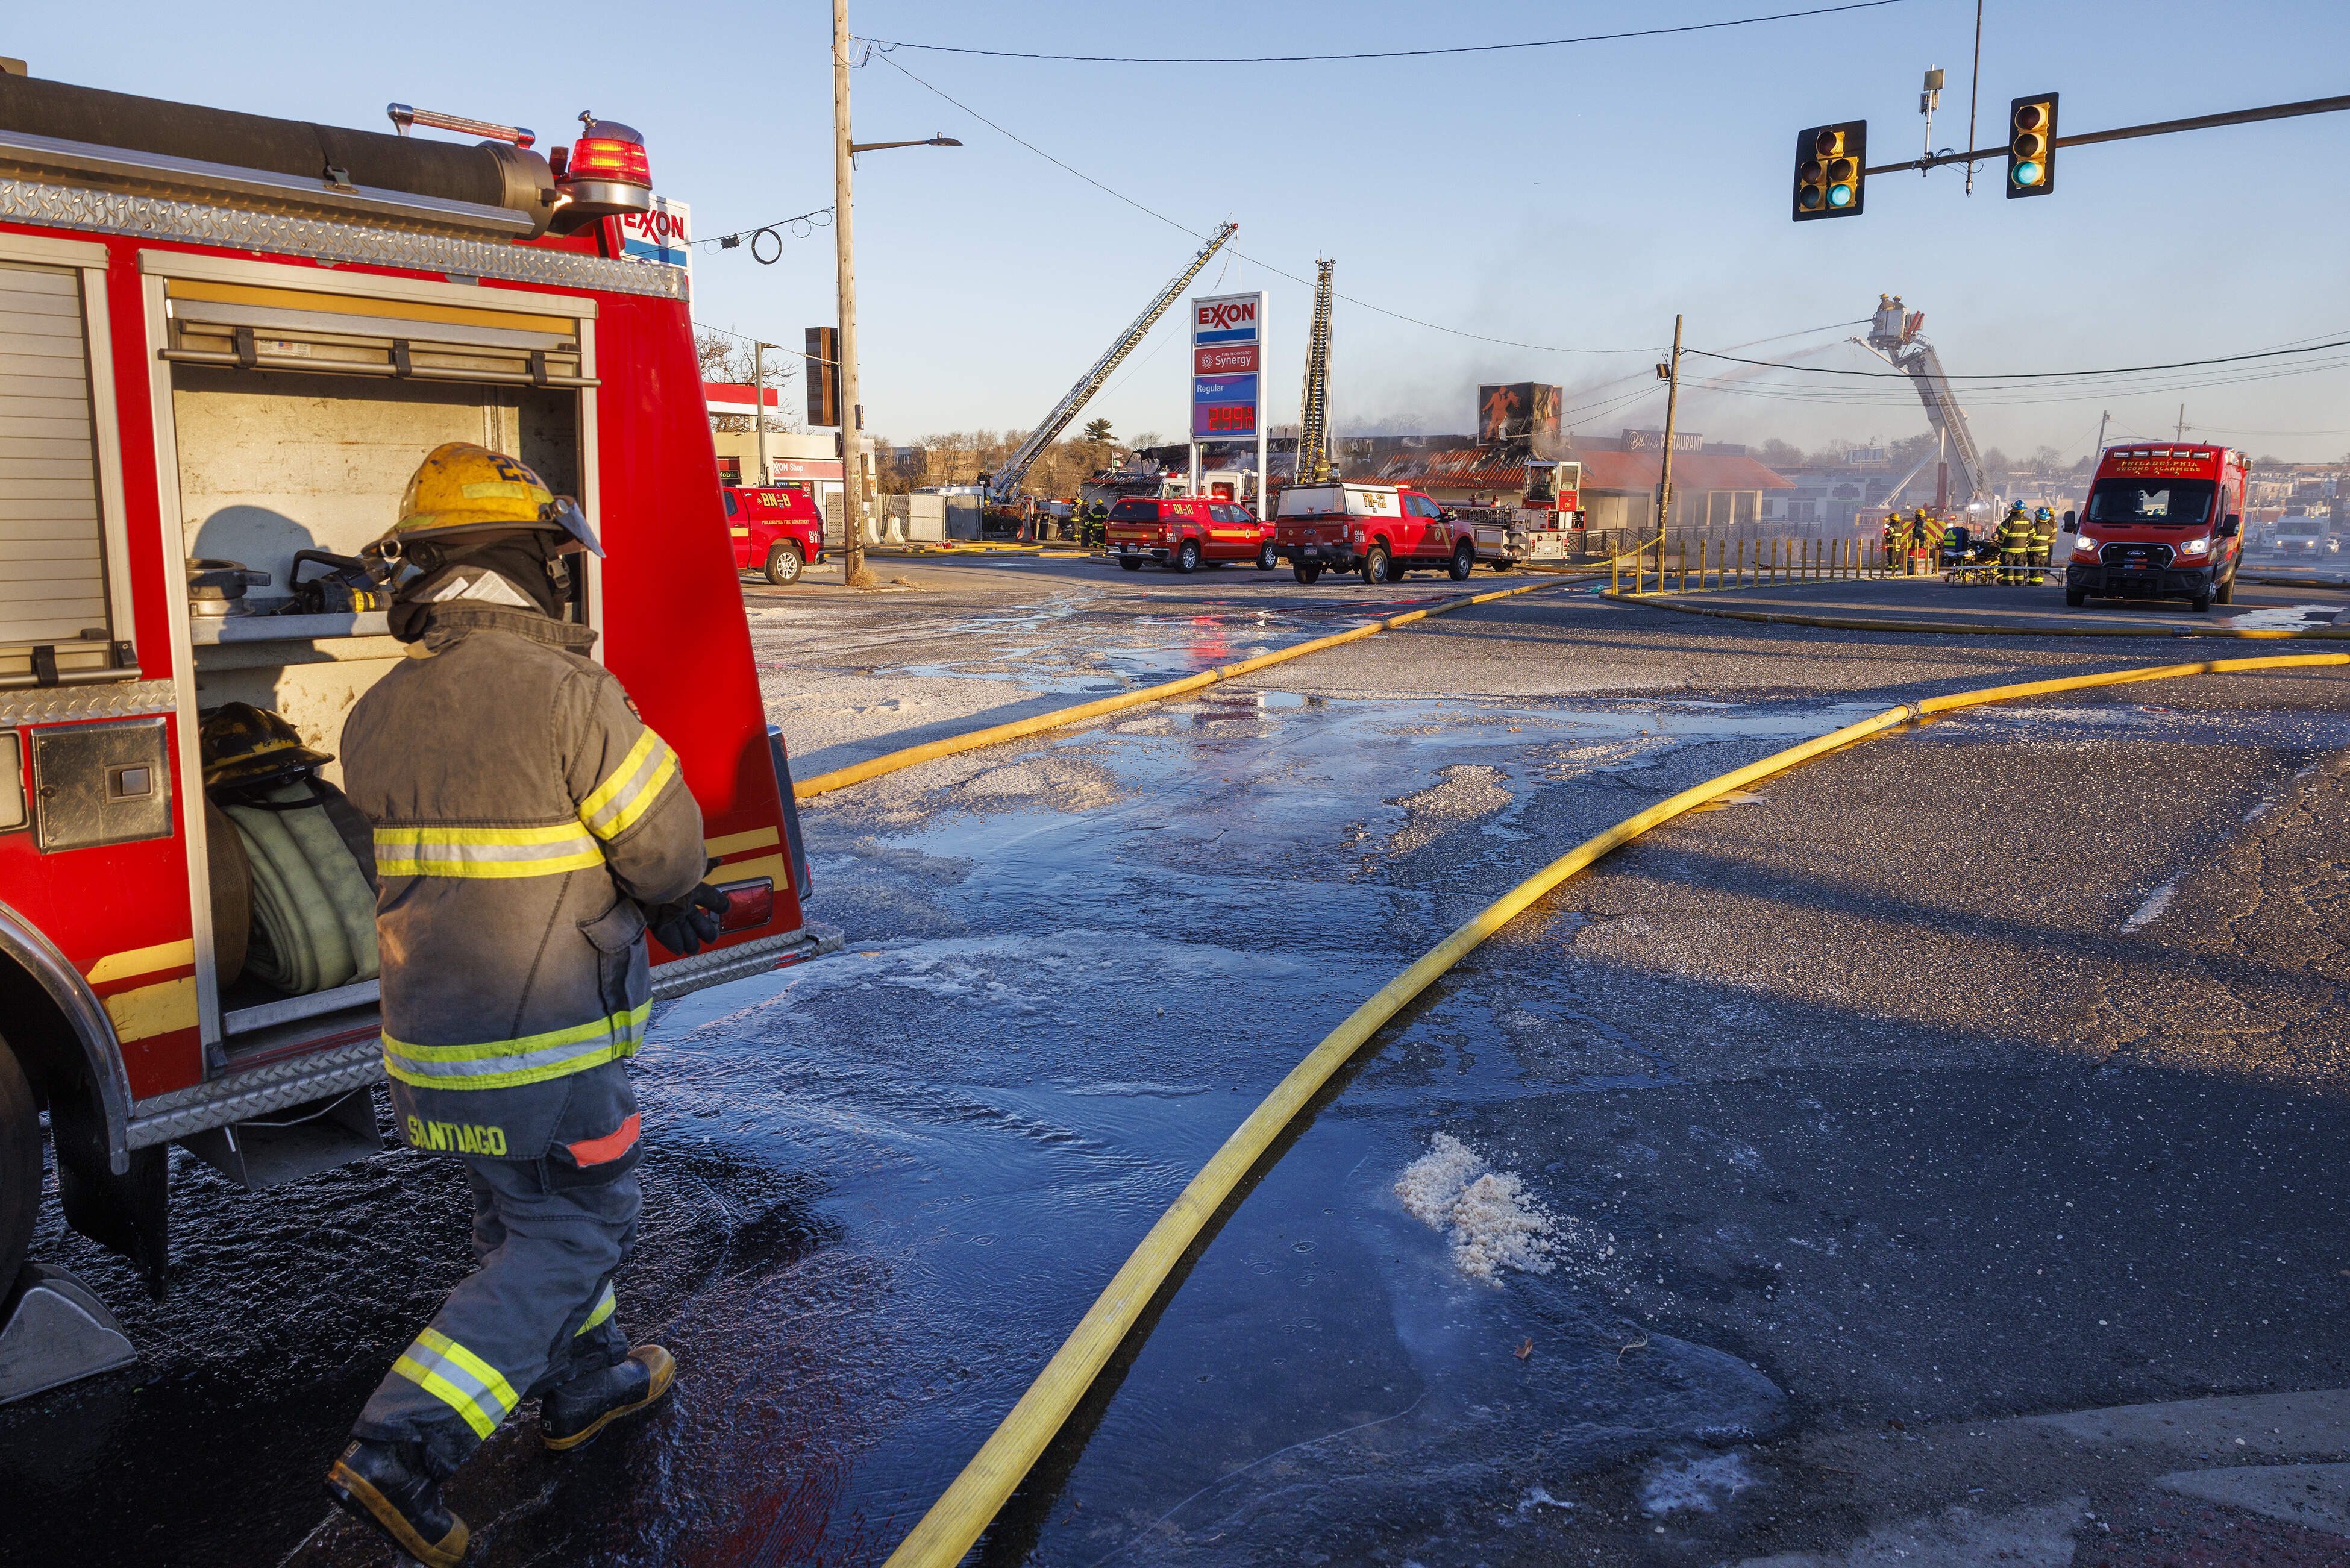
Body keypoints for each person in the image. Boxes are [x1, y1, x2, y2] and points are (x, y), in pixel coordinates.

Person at [322, 444, 727, 1566]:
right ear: (526, 564)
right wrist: (678, 898)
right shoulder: (568, 691)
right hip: (543, 1038)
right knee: (576, 1221)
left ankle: (587, 1380)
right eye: (555, 556)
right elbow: (666, 842)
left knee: (522, 1212)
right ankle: (402, 1448)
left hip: (431, 1044)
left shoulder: (374, 713)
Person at [1998, 501, 2034, 585]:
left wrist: (2000, 543)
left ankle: (2007, 581)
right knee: (2020, 566)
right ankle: (2019, 581)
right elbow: (2032, 535)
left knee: (2008, 566)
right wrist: (2026, 543)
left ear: (2013, 509)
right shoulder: (2028, 522)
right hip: (2021, 550)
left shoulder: (2009, 521)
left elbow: (2001, 534)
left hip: (2008, 549)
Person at [2030, 505, 2057, 584]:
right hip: (2045, 549)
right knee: (2042, 566)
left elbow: (2031, 538)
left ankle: (2034, 582)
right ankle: (2040, 581)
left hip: (2036, 550)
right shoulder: (2049, 526)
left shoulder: (2036, 527)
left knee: (2035, 566)